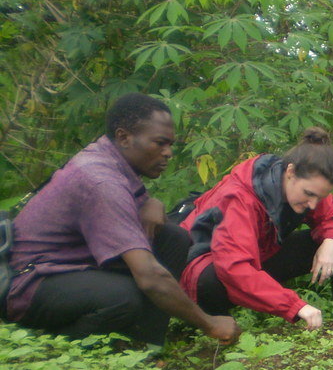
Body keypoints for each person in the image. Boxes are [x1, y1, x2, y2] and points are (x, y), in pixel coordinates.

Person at [1, 93, 241, 347]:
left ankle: (145, 346)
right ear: (124, 137)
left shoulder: (108, 156)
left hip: (68, 265)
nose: (168, 153)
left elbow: (136, 210)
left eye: (170, 144)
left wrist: (152, 202)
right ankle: (58, 349)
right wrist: (209, 323)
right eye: (159, 143)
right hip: (28, 285)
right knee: (123, 298)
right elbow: (149, 276)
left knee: (173, 238)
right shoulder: (101, 182)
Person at [178, 127, 333, 329]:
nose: (313, 204)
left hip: (258, 254)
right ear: (290, 172)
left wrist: (331, 241)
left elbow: (332, 217)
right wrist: (295, 306)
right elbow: (233, 268)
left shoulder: (307, 184)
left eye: (319, 197)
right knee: (210, 281)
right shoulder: (240, 197)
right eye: (309, 194)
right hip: (205, 266)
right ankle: (216, 330)